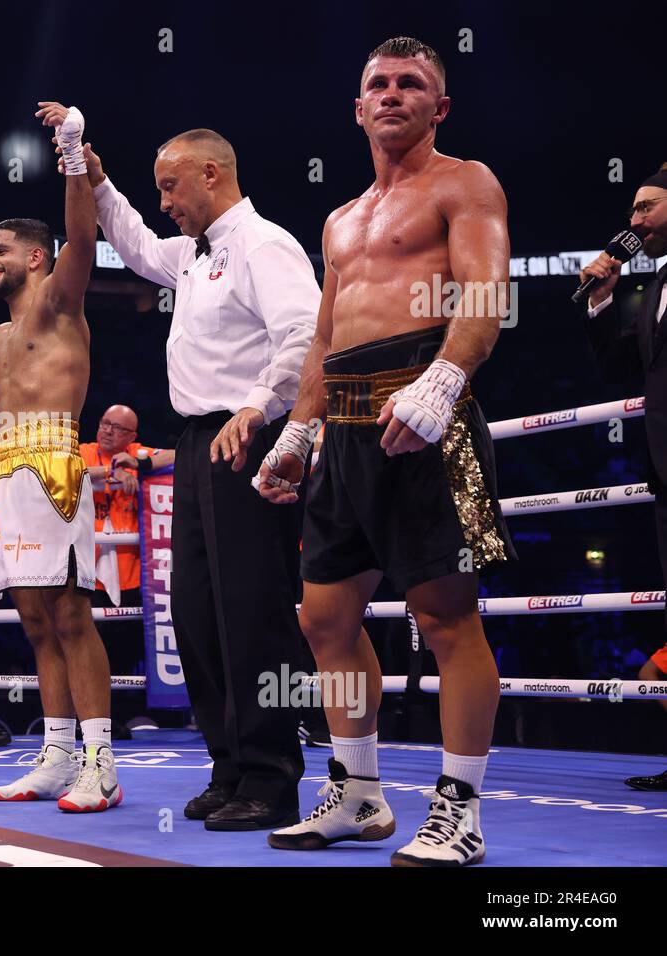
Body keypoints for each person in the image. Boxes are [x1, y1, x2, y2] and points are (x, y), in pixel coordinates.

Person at [257, 37, 516, 866]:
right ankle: (360, 794)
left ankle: (461, 809)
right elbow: (326, 338)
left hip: (425, 420)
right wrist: (299, 432)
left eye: (413, 84)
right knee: (324, 618)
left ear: (439, 108)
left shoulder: (465, 182)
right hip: (347, 429)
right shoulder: (338, 219)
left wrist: (442, 383)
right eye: (380, 83)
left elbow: (483, 295)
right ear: (359, 106)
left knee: (445, 618)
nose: (394, 93)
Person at [49, 101, 319, 829]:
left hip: (249, 435)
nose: (164, 202)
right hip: (195, 446)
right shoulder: (193, 254)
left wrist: (258, 407)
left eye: (170, 187)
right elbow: (134, 246)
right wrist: (98, 183)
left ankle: (272, 777)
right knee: (196, 612)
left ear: (211, 173)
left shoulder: (265, 244)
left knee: (253, 611)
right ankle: (229, 766)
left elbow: (305, 332)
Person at [0, 104, 119, 812]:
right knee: (35, 619)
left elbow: (83, 233)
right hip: (4, 470)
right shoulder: (1, 337)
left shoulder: (60, 301)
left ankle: (102, 764)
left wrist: (74, 151)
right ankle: (55, 753)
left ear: (34, 257)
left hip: (54, 461)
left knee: (72, 616)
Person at [578, 162, 667, 793]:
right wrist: (602, 294)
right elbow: (615, 370)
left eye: (645, 208)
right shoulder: (654, 285)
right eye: (632, 211)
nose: (631, 222)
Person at [79, 404, 174, 610]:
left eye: (118, 428)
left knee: (131, 636)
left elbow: (178, 455)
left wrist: (140, 464)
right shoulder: (84, 451)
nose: (108, 431)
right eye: (105, 423)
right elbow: (66, 473)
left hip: (136, 571)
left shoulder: (137, 453)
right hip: (90, 571)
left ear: (132, 436)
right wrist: (109, 471)